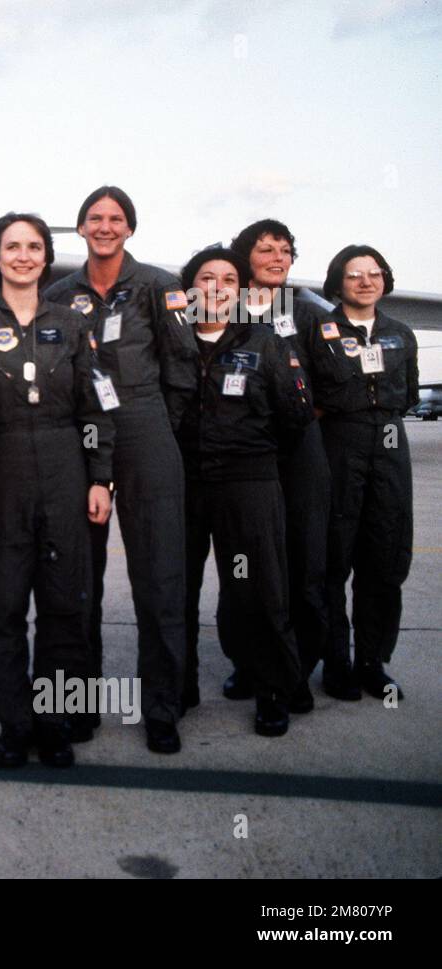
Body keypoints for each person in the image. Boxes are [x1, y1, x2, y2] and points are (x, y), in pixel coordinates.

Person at [0, 213, 114, 767]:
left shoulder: (72, 325)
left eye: (34, 247)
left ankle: (53, 722)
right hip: (0, 475)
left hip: (65, 468)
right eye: (12, 246)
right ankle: (14, 725)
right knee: (2, 611)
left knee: (65, 608)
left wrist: (100, 477)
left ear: (46, 258)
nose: (23, 255)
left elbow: (96, 405)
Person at [43, 186, 194, 753]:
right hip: (80, 435)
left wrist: (158, 430)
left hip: (145, 430)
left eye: (116, 218)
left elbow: (182, 369)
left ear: (130, 228)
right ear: (80, 227)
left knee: (159, 579)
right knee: (79, 582)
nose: (105, 226)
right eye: (94, 218)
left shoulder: (159, 286)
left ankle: (162, 705)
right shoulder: (60, 293)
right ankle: (80, 703)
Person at [170, 247, 314, 736]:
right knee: (178, 589)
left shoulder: (266, 341)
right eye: (205, 278)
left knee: (259, 589)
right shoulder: (172, 342)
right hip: (185, 483)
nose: (215, 287)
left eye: (227, 279)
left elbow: (296, 415)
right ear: (189, 289)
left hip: (247, 483)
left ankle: (273, 687)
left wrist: (253, 455)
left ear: (240, 291)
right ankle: (179, 685)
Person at [308, 245, 418, 702]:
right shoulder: (319, 331)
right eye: (355, 275)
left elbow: (408, 393)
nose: (366, 282)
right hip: (339, 442)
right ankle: (336, 664)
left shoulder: (400, 333)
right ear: (339, 281)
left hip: (390, 445)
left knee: (385, 559)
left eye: (374, 274)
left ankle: (372, 662)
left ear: (384, 281)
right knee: (334, 560)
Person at [228, 220, 328, 712]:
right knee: (244, 566)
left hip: (299, 450)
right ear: (245, 256)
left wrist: (301, 415)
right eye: (265, 249)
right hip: (243, 452)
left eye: (284, 250)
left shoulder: (306, 314)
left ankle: (296, 670)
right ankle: (247, 662)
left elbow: (333, 381)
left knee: (303, 562)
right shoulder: (221, 308)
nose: (276, 257)